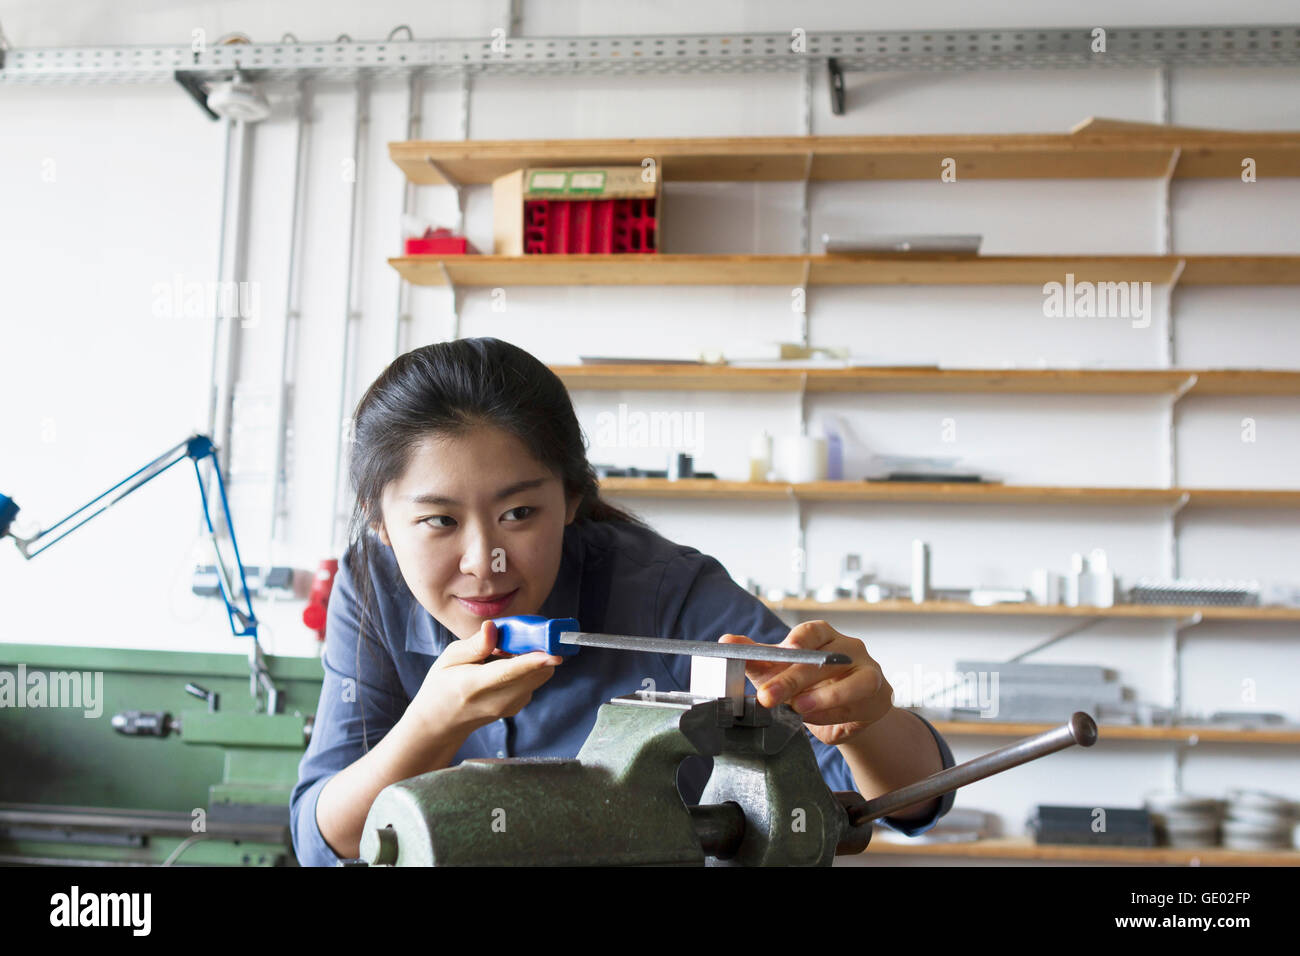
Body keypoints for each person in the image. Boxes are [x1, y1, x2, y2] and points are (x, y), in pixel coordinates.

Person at [290, 337, 955, 866]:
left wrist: (864, 712)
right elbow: (325, 836)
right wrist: (432, 725)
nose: (484, 560)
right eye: (439, 521)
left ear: (572, 498)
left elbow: (900, 801)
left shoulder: (667, 594)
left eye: (519, 512)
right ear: (378, 521)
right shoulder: (372, 587)